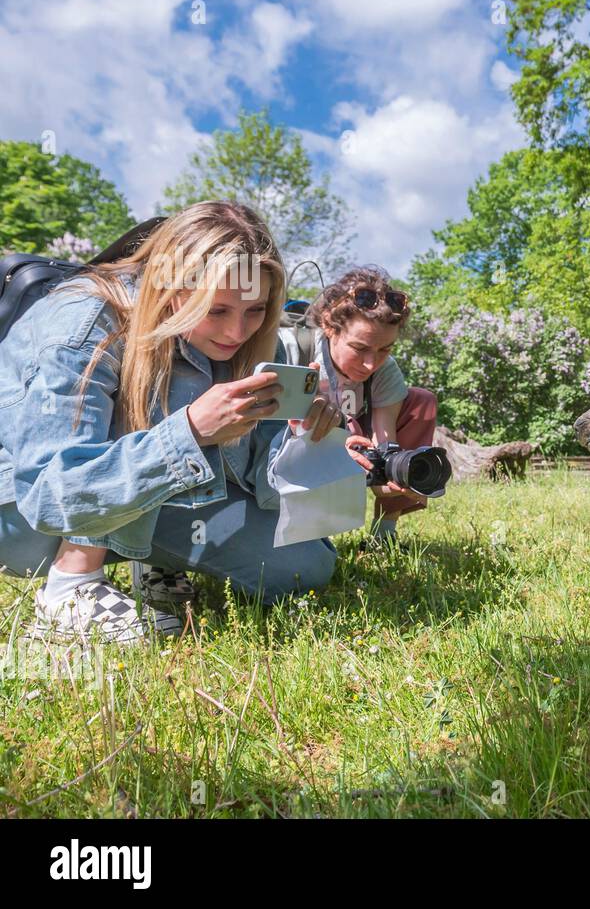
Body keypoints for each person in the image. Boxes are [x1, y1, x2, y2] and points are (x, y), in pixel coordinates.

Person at [0, 202, 344, 644]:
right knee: (147, 381)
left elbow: (260, 479)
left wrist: (300, 439)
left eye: (255, 309)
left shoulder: (260, 343)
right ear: (170, 289)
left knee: (303, 567)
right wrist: (192, 431)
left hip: (157, 500)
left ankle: (149, 557)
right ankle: (70, 589)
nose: (237, 331)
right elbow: (50, 493)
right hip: (22, 517)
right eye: (216, 310)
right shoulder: (86, 320)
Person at [279, 266, 438, 546]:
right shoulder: (291, 350)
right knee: (339, 421)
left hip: (352, 433)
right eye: (360, 348)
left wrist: (388, 470)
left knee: (420, 402)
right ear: (329, 325)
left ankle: (384, 533)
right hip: (291, 445)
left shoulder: (384, 370)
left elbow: (385, 438)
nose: (370, 363)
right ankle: (305, 528)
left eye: (384, 349)